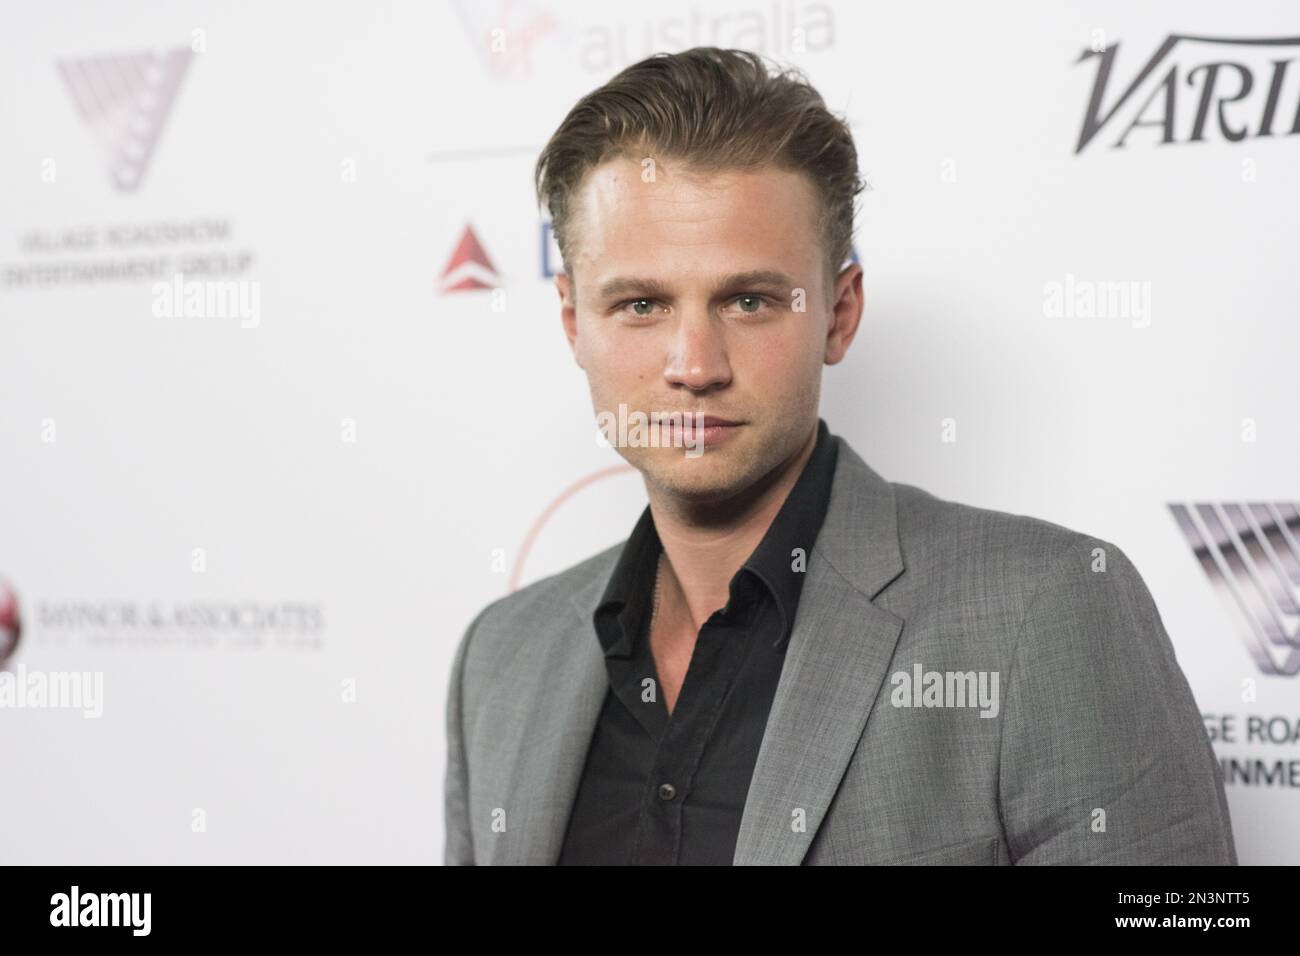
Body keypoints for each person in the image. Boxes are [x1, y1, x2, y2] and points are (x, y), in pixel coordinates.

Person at [443, 46, 1236, 865]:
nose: (694, 365)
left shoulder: (1047, 613)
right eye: (639, 304)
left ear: (839, 313)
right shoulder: (501, 658)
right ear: (575, 322)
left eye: (748, 300)